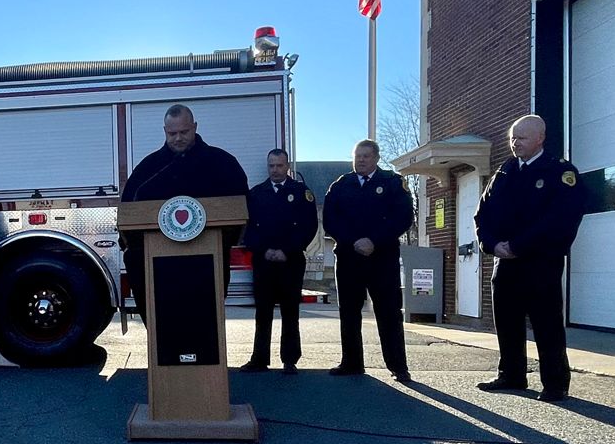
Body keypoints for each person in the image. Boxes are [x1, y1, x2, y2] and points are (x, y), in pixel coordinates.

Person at [474, 115, 584, 403]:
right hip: (505, 263)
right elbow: (482, 214)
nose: (515, 143)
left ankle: (555, 384)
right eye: (513, 137)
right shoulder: (505, 172)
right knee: (507, 322)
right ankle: (511, 375)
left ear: (540, 138)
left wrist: (518, 245)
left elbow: (560, 220)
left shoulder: (559, 173)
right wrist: (491, 244)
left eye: (521, 137)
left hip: (540, 264)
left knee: (546, 325)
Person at [120, 103, 249, 323]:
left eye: (184, 132)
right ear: (164, 131)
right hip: (161, 271)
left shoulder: (222, 164)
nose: (178, 138)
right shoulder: (148, 169)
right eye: (172, 133)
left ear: (195, 127)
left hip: (208, 264)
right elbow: (129, 213)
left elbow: (242, 209)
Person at [323, 139, 415, 383]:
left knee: (388, 312)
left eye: (365, 156)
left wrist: (374, 240)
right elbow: (331, 220)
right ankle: (352, 362)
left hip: (381, 259)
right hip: (348, 258)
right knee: (349, 312)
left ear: (376, 158)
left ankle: (398, 366)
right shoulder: (341, 185)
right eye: (357, 156)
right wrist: (353, 241)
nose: (360, 160)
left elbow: (404, 217)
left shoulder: (392, 183)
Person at [241, 149, 318, 374]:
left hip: (291, 261)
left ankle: (290, 359)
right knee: (262, 311)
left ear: (287, 167)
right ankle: (259, 358)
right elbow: (248, 229)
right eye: (272, 166)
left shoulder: (302, 193)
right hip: (263, 261)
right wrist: (263, 250)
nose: (275, 170)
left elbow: (309, 227)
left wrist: (287, 250)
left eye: (280, 166)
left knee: (290, 311)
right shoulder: (256, 194)